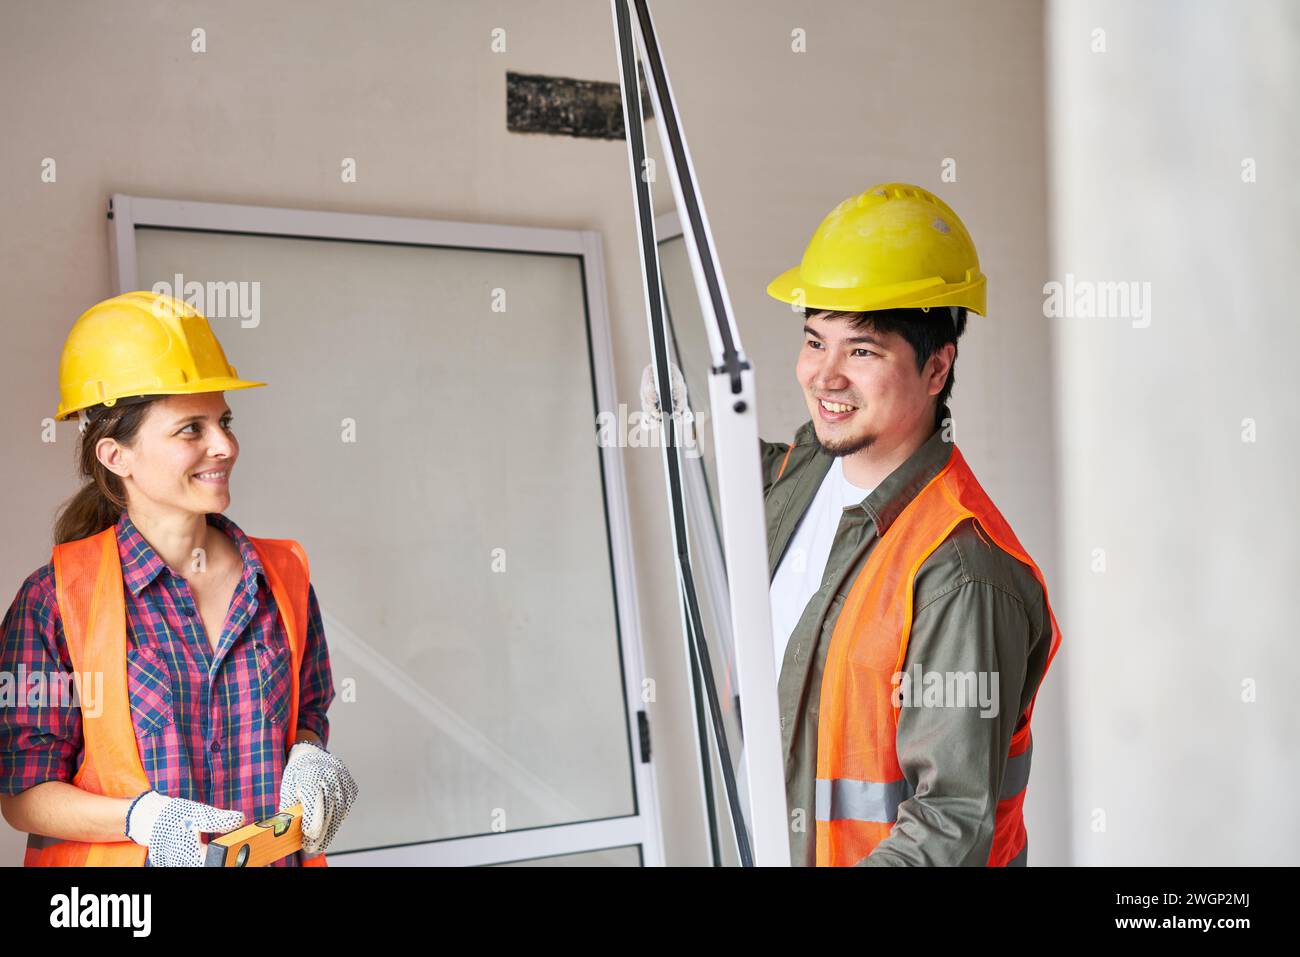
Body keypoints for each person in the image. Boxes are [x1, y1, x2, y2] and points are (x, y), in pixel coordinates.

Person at [645, 182, 1063, 865]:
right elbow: (750, 470)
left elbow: (946, 829)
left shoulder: (959, 572)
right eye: (815, 340)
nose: (824, 376)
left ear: (935, 367)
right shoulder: (808, 469)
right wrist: (678, 412)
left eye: (861, 351)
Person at [0, 291, 357, 866]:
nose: (225, 445)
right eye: (191, 428)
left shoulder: (281, 581)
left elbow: (306, 717)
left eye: (224, 420)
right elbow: (22, 795)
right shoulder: (55, 601)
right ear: (117, 456)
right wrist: (142, 816)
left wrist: (311, 756)